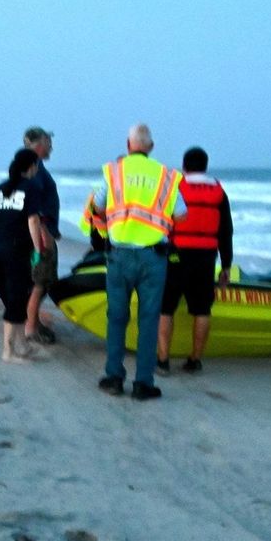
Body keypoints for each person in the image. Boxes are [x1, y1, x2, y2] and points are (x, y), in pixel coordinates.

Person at [93, 123, 186, 401]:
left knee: (117, 317)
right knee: (148, 320)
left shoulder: (114, 171)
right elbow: (181, 214)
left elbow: (98, 204)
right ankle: (143, 383)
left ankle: (113, 377)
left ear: (128, 144)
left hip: (119, 255)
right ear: (151, 147)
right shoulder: (166, 176)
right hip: (153, 256)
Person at [156, 146, 233, 375]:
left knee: (166, 308)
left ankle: (163, 360)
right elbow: (226, 231)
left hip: (177, 254)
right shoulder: (219, 192)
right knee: (201, 310)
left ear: (184, 166)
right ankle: (195, 359)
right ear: (206, 166)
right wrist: (226, 265)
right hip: (206, 256)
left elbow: (162, 222)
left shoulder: (175, 187)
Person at [0, 148, 44, 362]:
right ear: (31, 167)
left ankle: (21, 345)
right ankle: (8, 352)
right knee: (16, 298)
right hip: (16, 250)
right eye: (36, 165)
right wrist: (38, 249)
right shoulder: (31, 188)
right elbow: (33, 220)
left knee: (15, 299)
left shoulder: (2, 187)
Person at [20, 127, 60, 345]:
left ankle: (32, 321)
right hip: (40, 235)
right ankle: (31, 327)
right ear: (40, 143)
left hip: (38, 232)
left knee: (39, 282)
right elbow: (34, 207)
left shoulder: (30, 166)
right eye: (49, 142)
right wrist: (45, 234)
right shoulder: (35, 169)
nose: (51, 147)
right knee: (40, 282)